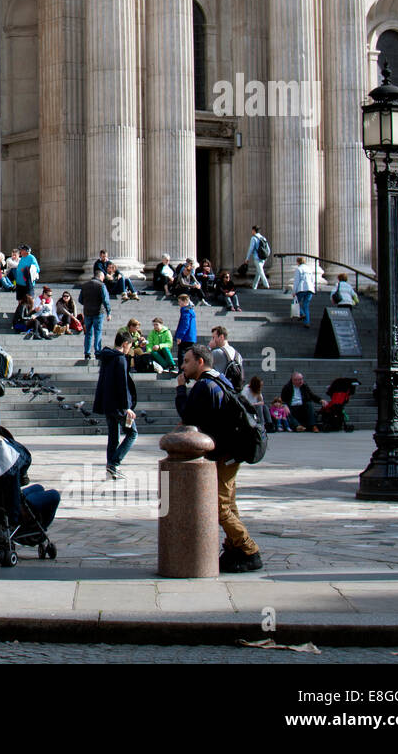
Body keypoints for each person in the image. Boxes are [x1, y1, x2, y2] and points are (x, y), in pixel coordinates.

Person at [175, 344, 262, 573]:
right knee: (228, 502)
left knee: (219, 506)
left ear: (200, 362)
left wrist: (181, 389)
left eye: (186, 361)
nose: (183, 366)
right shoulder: (221, 379)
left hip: (225, 453)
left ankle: (249, 550)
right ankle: (233, 548)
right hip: (233, 451)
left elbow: (187, 417)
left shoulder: (204, 386)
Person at [94, 331, 138, 480]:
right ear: (125, 343)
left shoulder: (107, 357)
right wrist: (127, 407)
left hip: (107, 403)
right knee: (132, 433)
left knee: (113, 437)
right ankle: (114, 463)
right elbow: (122, 384)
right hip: (119, 405)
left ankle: (110, 467)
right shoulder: (120, 359)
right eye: (129, 346)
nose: (129, 349)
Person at [79, 270, 111, 359]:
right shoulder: (101, 286)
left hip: (87, 312)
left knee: (88, 333)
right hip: (98, 312)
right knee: (97, 332)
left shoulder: (85, 285)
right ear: (100, 276)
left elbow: (80, 300)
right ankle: (97, 352)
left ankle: (87, 353)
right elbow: (106, 300)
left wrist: (87, 304)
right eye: (103, 278)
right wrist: (109, 312)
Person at [245, 226, 271, 290]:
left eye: (252, 230)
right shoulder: (263, 238)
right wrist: (266, 256)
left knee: (260, 271)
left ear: (254, 230)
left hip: (257, 257)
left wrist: (247, 258)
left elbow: (251, 249)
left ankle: (266, 284)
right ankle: (254, 286)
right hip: (263, 258)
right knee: (258, 272)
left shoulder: (253, 238)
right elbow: (268, 249)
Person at [292, 256, 314, 327]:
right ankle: (307, 322)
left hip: (301, 288)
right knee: (306, 306)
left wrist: (294, 291)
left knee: (295, 302)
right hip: (310, 289)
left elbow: (296, 281)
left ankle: (302, 314)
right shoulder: (309, 269)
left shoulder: (299, 269)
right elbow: (312, 280)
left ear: (298, 262)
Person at [174, 294, 198, 361]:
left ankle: (182, 370)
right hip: (191, 336)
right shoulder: (190, 310)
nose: (179, 303)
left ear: (184, 302)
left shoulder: (185, 311)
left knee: (181, 353)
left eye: (180, 301)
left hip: (186, 337)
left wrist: (179, 336)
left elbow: (184, 324)